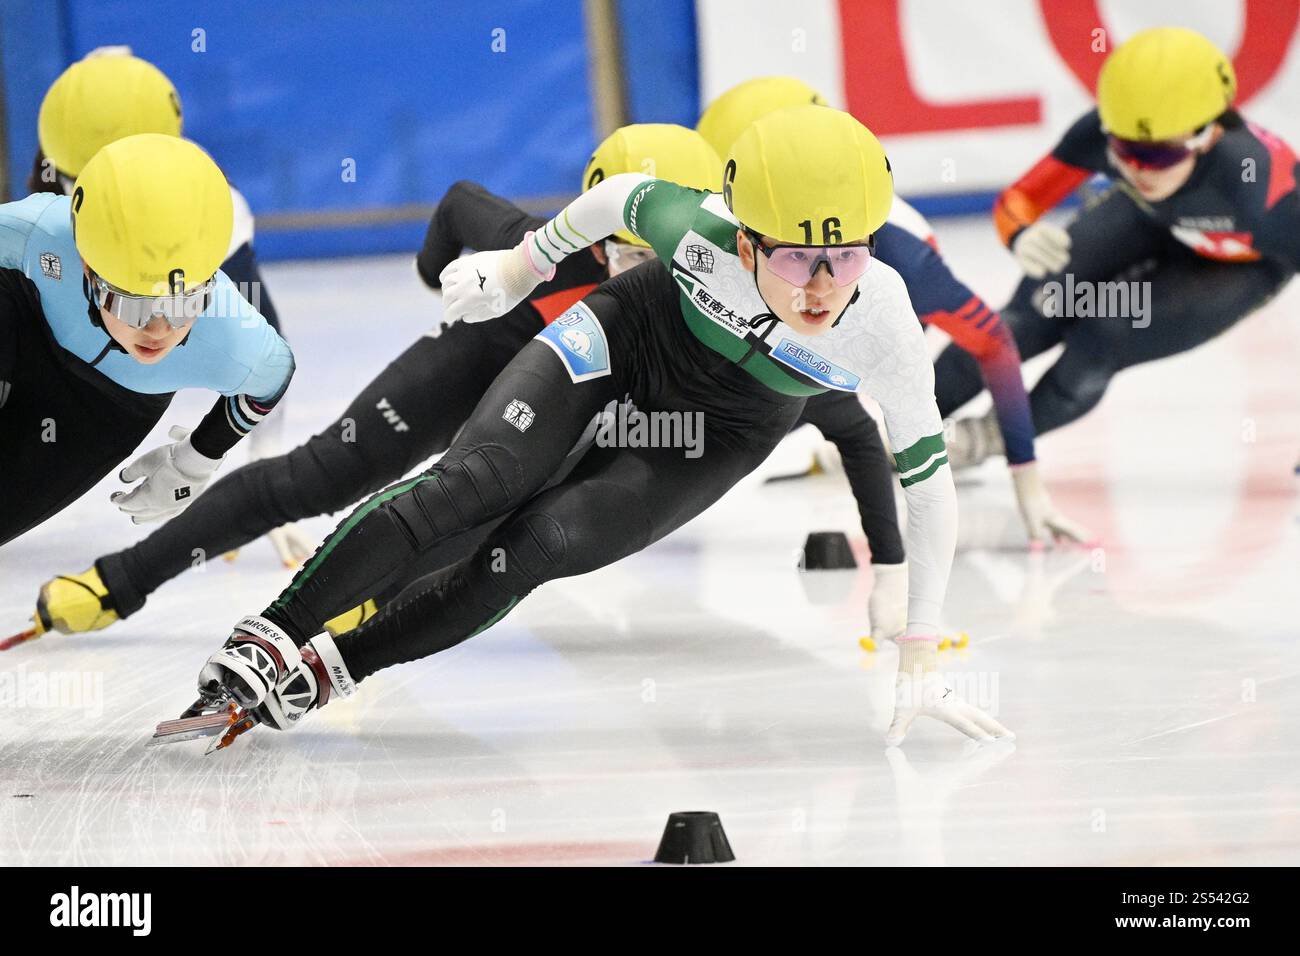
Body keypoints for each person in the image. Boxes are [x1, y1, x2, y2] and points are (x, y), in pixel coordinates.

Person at [197, 106, 1012, 748]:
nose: (823, 286)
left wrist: (921, 648)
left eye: (849, 257)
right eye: (797, 258)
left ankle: (331, 670)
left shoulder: (886, 325)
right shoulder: (697, 231)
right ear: (746, 233)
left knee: (537, 547)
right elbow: (617, 198)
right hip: (633, 333)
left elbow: (931, 490)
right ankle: (272, 632)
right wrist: (518, 268)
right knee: (475, 483)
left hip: (727, 426)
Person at [24, 123, 909, 648]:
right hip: (488, 354)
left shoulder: (762, 313)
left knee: (490, 522)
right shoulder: (544, 241)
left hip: (588, 414)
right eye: (627, 258)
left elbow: (855, 425)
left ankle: (353, 613)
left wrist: (894, 572)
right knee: (322, 476)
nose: (649, 282)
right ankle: (120, 580)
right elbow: (455, 208)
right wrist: (459, 300)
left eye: (666, 266)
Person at [698, 75, 1088, 546]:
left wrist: (1028, 483)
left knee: (745, 413)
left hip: (845, 337)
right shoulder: (720, 223)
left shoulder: (902, 262)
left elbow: (994, 344)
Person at [933, 27, 1299, 461]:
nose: (1139, 167)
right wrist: (1020, 233)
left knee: (1103, 336)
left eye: (1160, 154)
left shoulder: (1259, 189)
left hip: (1243, 263)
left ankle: (988, 439)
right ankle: (909, 420)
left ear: (1208, 136)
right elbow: (1021, 199)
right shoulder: (1107, 136)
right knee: (1035, 311)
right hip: (1151, 217)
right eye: (1124, 149)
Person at [30, 48, 310, 565]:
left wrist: (261, 467)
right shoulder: (207, 204)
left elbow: (266, 356)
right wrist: (255, 462)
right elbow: (268, 356)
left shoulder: (195, 212)